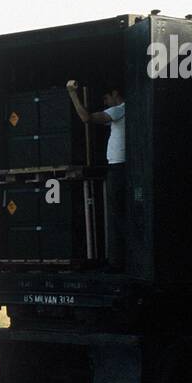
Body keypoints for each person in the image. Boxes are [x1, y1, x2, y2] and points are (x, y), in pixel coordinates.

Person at [65, 79, 126, 270]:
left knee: (116, 216)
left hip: (119, 168)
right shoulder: (123, 112)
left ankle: (117, 262)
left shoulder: (120, 109)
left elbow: (86, 118)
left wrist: (72, 94)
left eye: (107, 98)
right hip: (120, 167)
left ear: (116, 93)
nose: (106, 102)